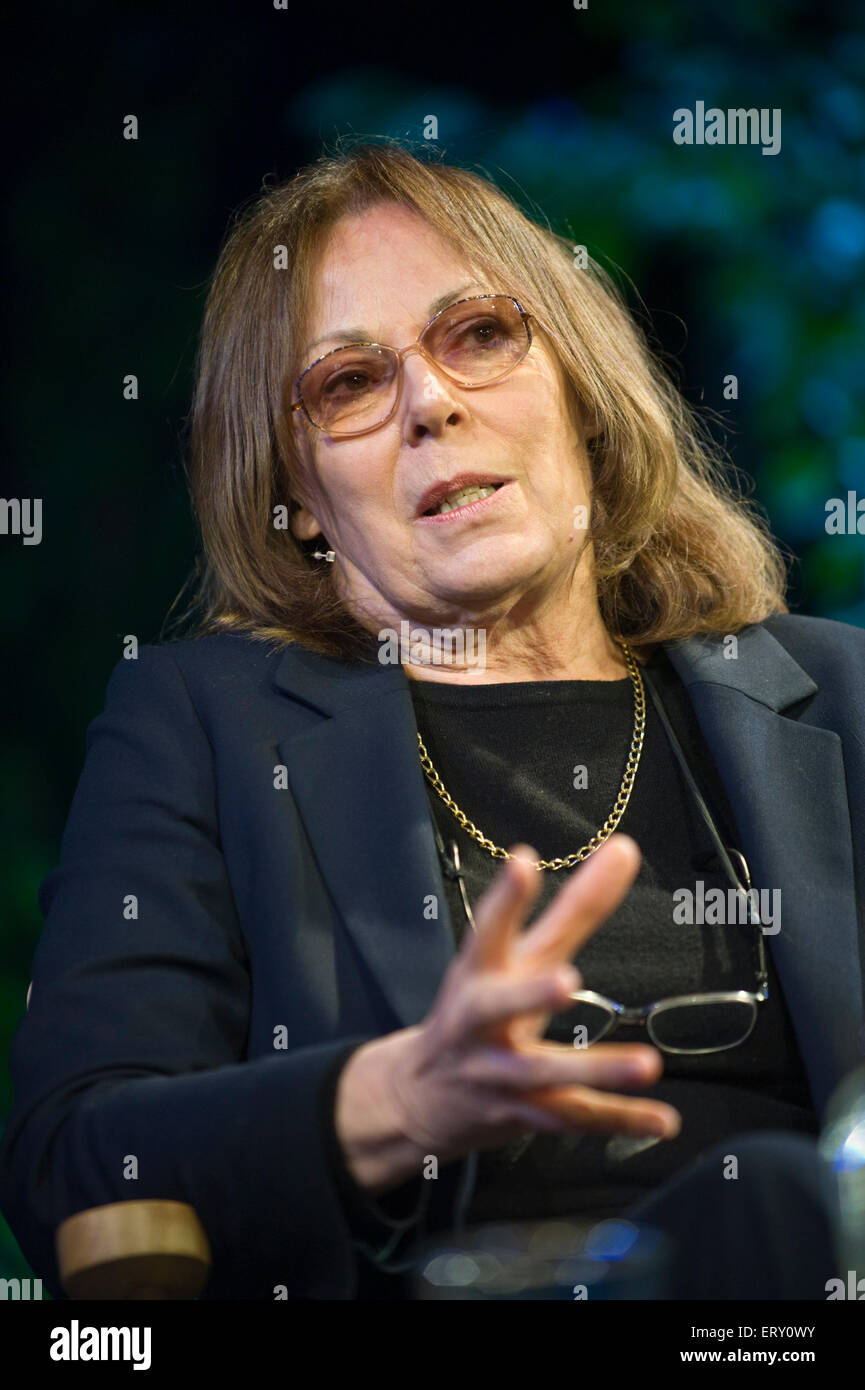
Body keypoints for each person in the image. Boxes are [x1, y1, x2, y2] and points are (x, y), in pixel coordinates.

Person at [2, 141, 863, 1302]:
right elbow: (74, 1154)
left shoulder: (838, 697)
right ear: (299, 500)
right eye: (348, 384)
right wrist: (405, 1096)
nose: (431, 402)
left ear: (578, 390)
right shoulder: (202, 726)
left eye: (478, 334)